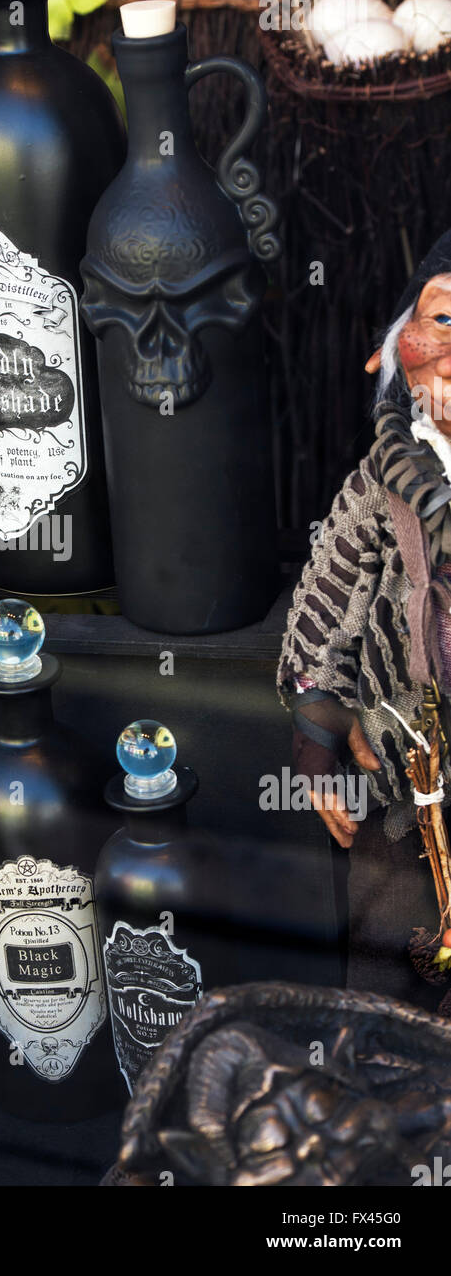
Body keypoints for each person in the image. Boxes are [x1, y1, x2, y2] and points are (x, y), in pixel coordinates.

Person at [278, 230, 451, 1009]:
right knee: (389, 956)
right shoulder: (381, 485)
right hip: (405, 784)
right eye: (439, 325)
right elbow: (327, 604)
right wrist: (318, 726)